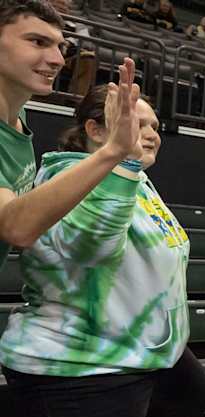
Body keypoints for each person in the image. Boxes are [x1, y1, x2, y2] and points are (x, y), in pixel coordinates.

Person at [0, 85, 205, 417]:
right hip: (81, 362)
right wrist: (122, 161)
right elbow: (91, 247)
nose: (151, 132)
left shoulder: (136, 178)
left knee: (190, 393)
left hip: (135, 349)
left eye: (154, 125)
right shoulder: (69, 176)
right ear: (95, 129)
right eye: (138, 123)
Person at [0, 3, 145, 271]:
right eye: (37, 41)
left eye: (61, 47)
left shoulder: (17, 113)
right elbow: (15, 228)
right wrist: (113, 150)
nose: (57, 60)